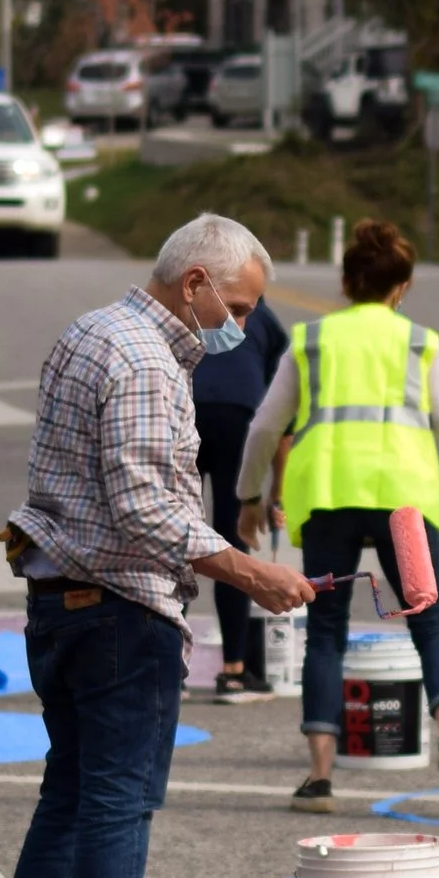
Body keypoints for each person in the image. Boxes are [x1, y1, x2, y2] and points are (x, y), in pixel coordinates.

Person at [0, 213, 310, 878]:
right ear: (195, 283)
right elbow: (143, 508)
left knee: (70, 795)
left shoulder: (94, 331)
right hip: (118, 607)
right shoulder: (141, 361)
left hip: (62, 598)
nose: (244, 326)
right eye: (239, 306)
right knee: (114, 803)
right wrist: (251, 570)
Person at [236, 215, 439, 807]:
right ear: (402, 288)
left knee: (326, 633)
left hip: (330, 500)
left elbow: (266, 424)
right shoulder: (420, 342)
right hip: (404, 504)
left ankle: (319, 777)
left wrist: (248, 498)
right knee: (431, 620)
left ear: (344, 283)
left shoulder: (312, 341)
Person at [190, 286, 290, 698]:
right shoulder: (266, 324)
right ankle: (234, 669)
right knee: (231, 542)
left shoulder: (193, 310)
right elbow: (280, 422)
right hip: (240, 423)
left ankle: (168, 666)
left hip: (187, 412)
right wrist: (274, 495)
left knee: (176, 535)